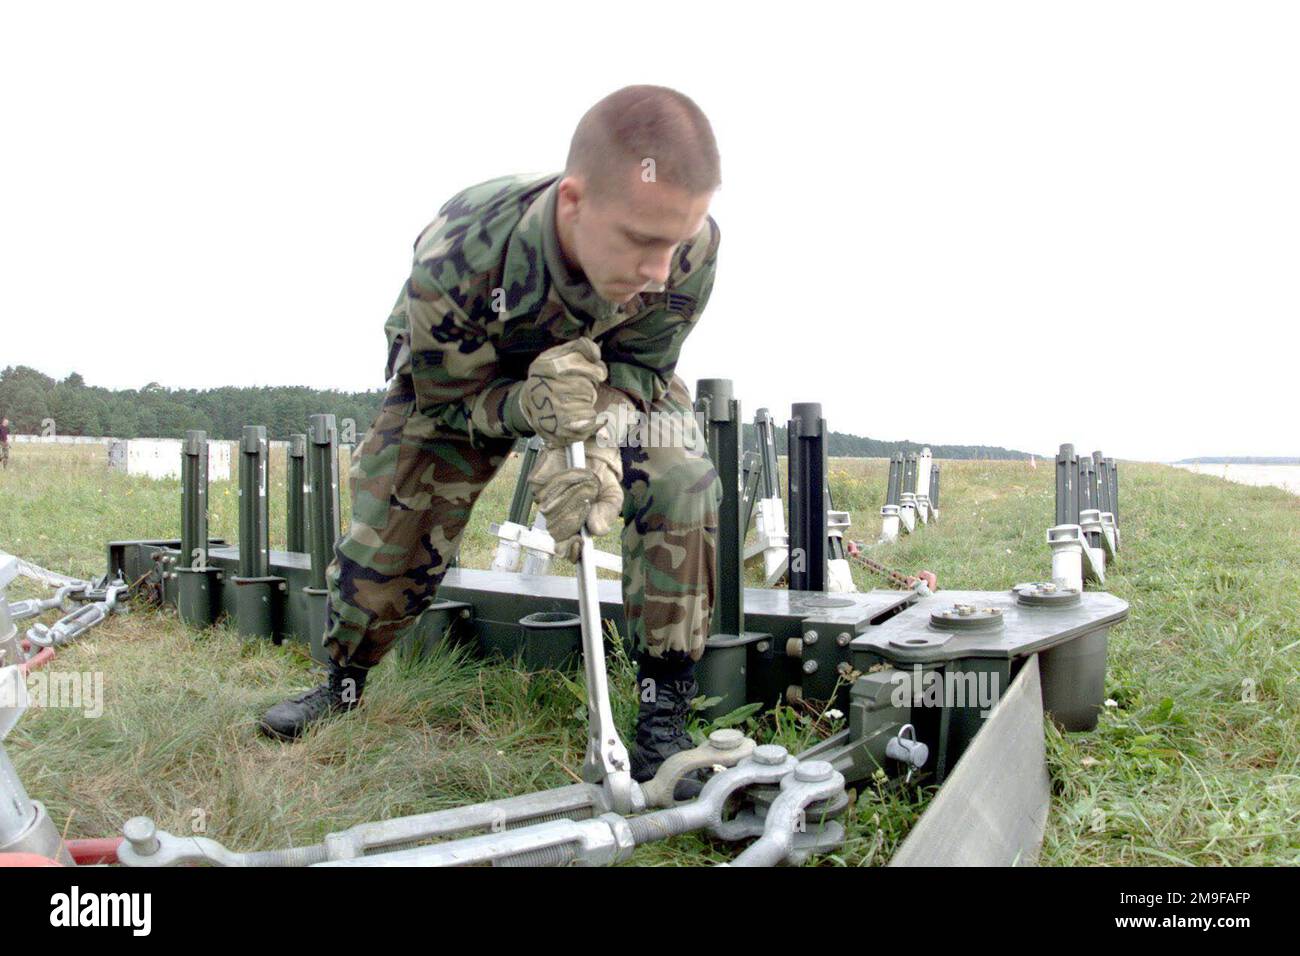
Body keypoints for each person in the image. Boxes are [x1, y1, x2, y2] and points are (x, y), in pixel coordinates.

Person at [259, 85, 723, 787]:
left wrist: (601, 436)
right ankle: (342, 684)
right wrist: (529, 408)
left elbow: (643, 365)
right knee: (395, 532)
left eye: (676, 243)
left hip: (598, 375)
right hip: (468, 381)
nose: (660, 271)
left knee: (681, 475)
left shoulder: (690, 250)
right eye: (640, 241)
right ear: (574, 203)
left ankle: (664, 714)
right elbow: (447, 402)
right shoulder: (457, 258)